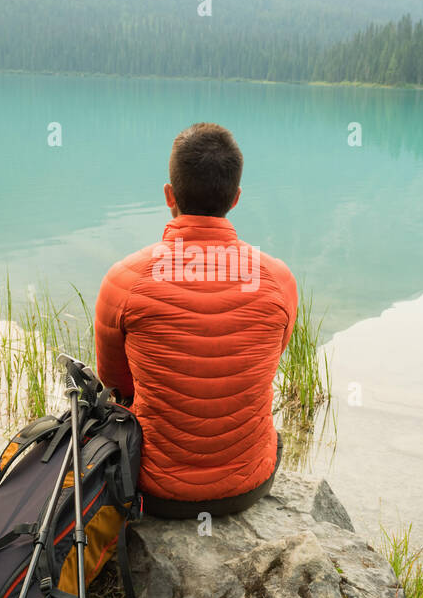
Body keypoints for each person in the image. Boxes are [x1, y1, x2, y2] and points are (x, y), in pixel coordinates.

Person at [95, 122, 298, 519]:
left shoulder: (126, 278)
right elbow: (267, 365)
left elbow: (117, 387)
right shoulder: (278, 279)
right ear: (236, 198)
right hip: (248, 487)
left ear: (169, 195)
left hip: (153, 490)